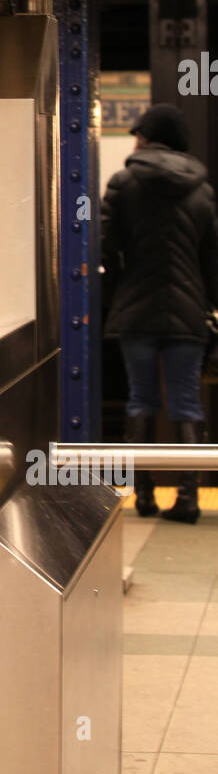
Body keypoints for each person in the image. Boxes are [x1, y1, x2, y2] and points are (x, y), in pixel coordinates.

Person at [101, 103, 218, 523]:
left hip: (136, 310)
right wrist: (209, 304)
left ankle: (145, 495)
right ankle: (188, 499)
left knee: (140, 398)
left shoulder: (123, 182)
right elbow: (211, 259)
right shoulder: (202, 190)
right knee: (187, 401)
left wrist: (110, 300)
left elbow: (106, 250)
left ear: (147, 138)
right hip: (187, 312)